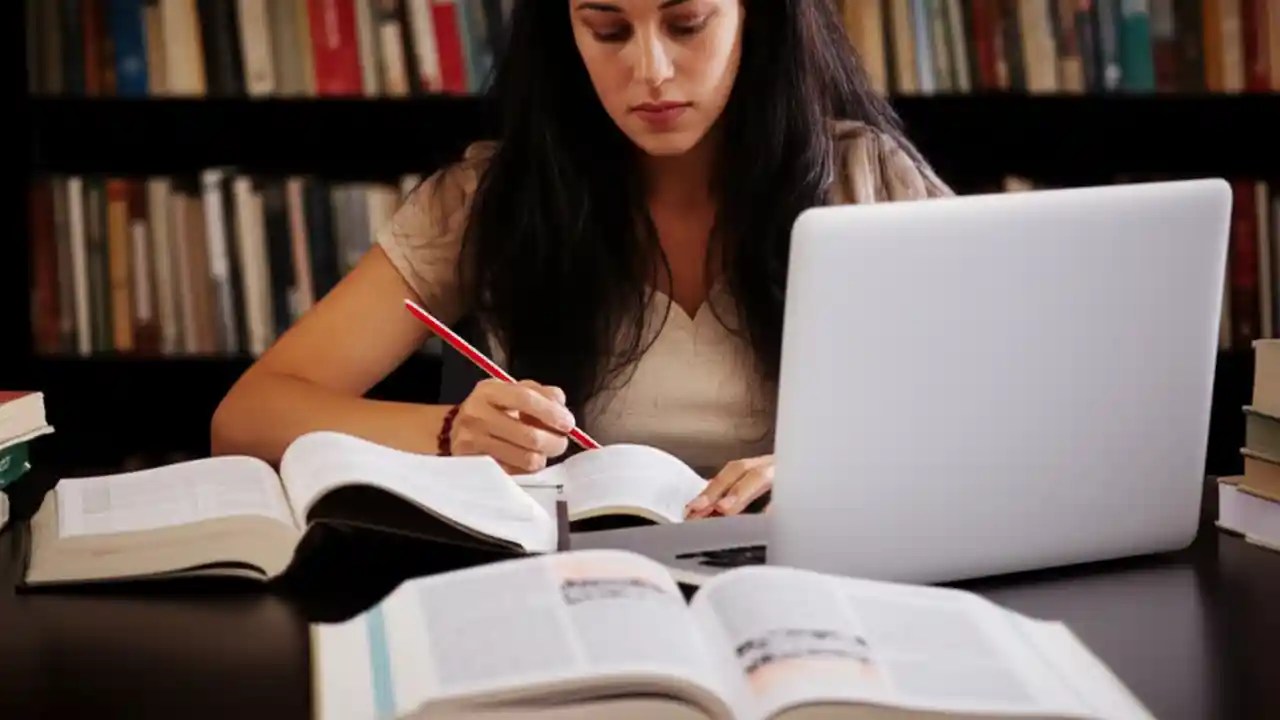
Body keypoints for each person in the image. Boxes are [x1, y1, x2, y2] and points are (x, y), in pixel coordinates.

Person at [209, 0, 951, 520]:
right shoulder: (487, 200)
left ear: (756, 16)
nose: (651, 70)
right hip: (573, 588)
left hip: (813, 583)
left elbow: (1009, 414)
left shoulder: (868, 181)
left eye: (687, 23)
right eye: (607, 29)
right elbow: (247, 417)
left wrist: (836, 475)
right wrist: (451, 433)